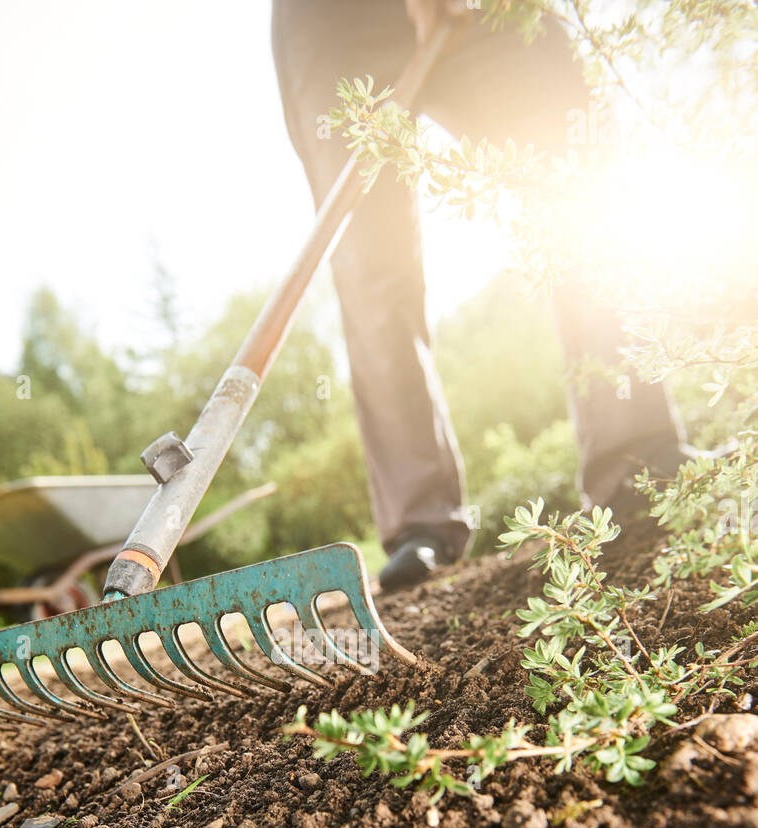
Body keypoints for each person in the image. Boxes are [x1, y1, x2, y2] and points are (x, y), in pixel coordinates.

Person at [271, 0, 685, 590]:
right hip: (331, 23)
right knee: (372, 272)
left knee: (577, 184)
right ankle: (421, 521)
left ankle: (636, 453)